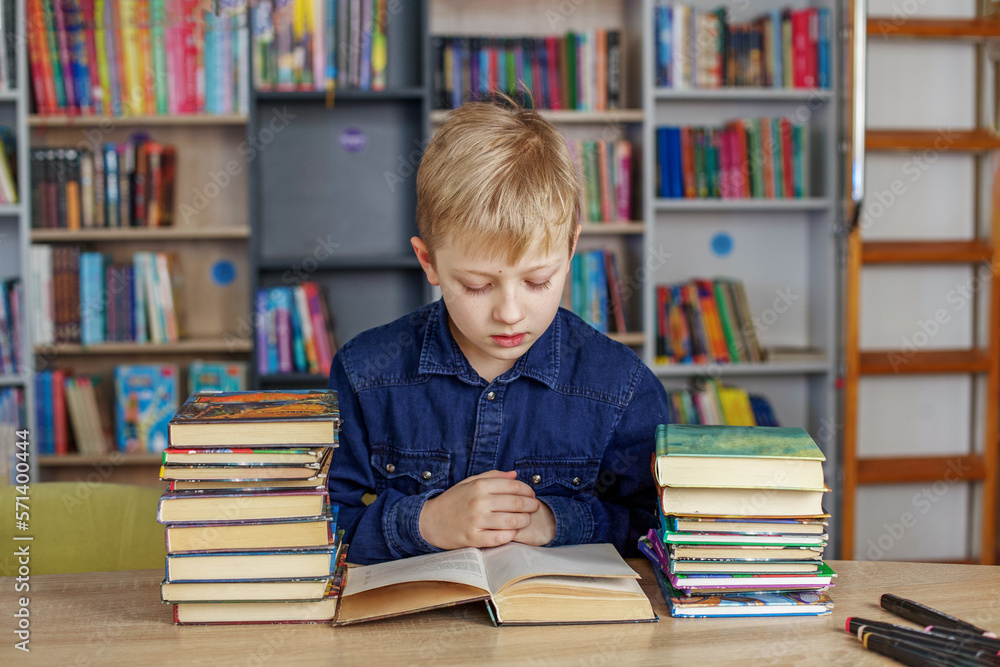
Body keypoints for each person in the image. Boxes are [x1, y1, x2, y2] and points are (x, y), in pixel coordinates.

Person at [327, 97, 669, 564]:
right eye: (477, 285)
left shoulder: (621, 385)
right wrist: (424, 522)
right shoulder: (365, 373)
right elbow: (318, 523)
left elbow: (660, 527)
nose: (509, 312)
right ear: (428, 262)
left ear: (571, 251)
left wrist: (556, 522)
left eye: (537, 281)